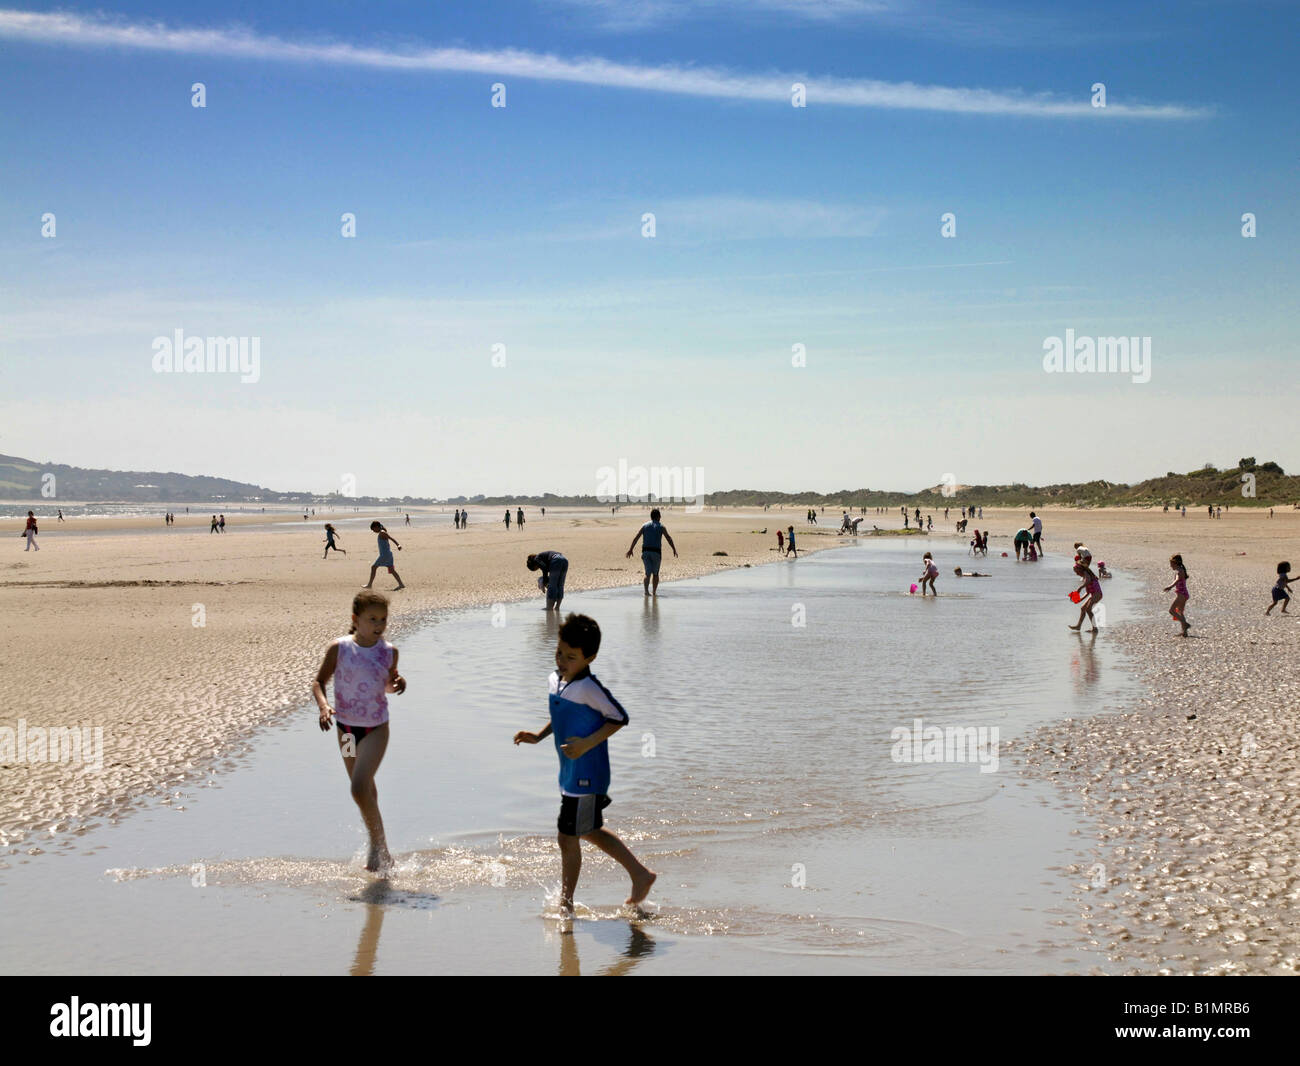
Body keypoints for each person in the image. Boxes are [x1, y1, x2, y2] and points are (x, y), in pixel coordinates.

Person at [512, 613, 656, 912]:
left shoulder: (590, 688)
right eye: (559, 653)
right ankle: (640, 874)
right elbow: (561, 715)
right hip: (570, 771)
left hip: (588, 773)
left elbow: (618, 717)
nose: (563, 661)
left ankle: (566, 904)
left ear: (590, 657)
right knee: (588, 830)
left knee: (567, 836)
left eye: (571, 657)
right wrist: (538, 736)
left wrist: (587, 744)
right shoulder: (556, 680)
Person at [312, 589, 406, 873]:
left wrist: (398, 683)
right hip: (347, 731)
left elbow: (386, 686)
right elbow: (318, 682)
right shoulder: (339, 648)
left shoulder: (389, 652)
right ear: (356, 619)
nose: (379, 625)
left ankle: (379, 849)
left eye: (383, 620)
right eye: (372, 619)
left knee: (358, 786)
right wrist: (324, 706)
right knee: (363, 789)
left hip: (376, 728)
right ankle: (380, 850)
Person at [626, 508, 678, 596]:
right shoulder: (661, 527)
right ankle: (654, 592)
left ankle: (646, 592)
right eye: (660, 515)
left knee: (647, 573)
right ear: (657, 516)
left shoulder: (644, 526)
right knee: (655, 574)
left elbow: (636, 538)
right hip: (656, 552)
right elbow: (669, 538)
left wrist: (631, 549)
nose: (661, 517)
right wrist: (674, 549)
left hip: (645, 552)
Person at [364, 522, 405, 590]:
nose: (373, 531)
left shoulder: (382, 532)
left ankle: (369, 585)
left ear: (376, 527)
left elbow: (391, 538)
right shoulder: (382, 532)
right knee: (392, 570)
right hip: (388, 554)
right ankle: (401, 584)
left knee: (373, 567)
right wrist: (398, 545)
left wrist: (398, 545)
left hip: (385, 555)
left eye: (373, 529)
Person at [1069, 561, 1102, 632]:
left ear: (1081, 569)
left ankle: (1095, 628)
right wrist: (1079, 600)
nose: (1076, 574)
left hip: (1097, 594)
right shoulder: (1084, 577)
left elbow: (1088, 581)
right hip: (1093, 594)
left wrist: (1080, 588)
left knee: (1088, 609)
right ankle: (1078, 626)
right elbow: (1087, 592)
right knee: (1083, 608)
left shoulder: (1086, 574)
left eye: (1077, 572)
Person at [1164, 554, 1190, 637]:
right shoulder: (1182, 570)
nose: (1170, 566)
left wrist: (1170, 586)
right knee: (1180, 612)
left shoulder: (1179, 571)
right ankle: (1184, 632)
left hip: (1181, 595)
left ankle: (1185, 624)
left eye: (1171, 564)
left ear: (1175, 563)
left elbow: (1177, 580)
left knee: (1171, 611)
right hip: (1184, 594)